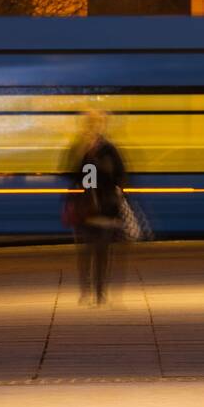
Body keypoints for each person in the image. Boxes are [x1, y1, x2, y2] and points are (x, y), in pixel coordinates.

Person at [62, 111, 126, 305]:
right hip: (85, 207)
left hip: (105, 207)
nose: (95, 127)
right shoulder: (78, 148)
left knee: (102, 251)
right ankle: (86, 289)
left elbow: (120, 175)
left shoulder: (109, 149)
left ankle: (100, 292)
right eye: (91, 123)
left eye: (98, 123)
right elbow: (71, 173)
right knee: (85, 251)